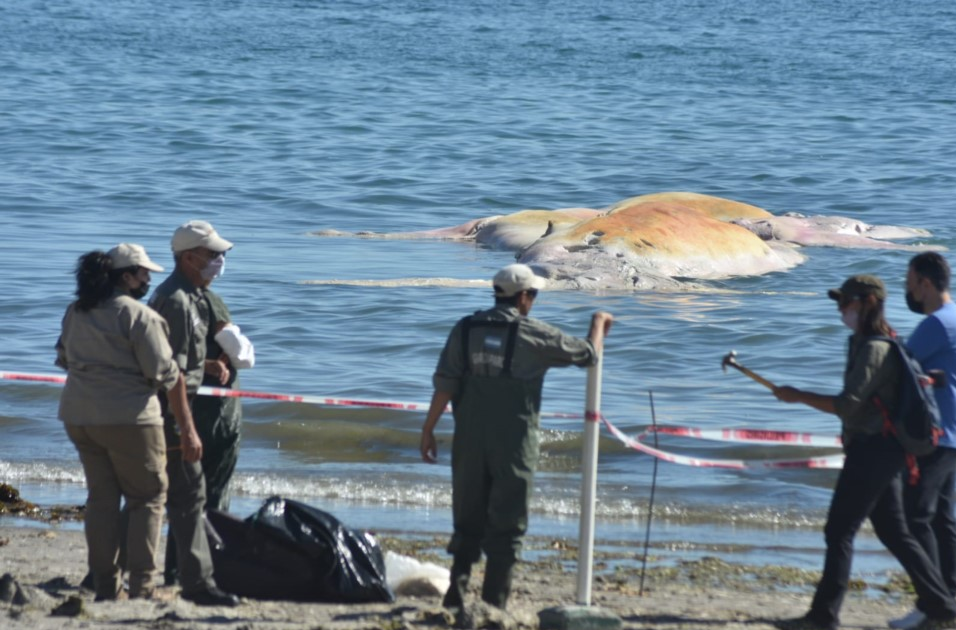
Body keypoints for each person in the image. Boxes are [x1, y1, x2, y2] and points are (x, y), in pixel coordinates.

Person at [420, 263, 613, 612]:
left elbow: (445, 384)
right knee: (508, 526)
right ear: (524, 297)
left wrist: (428, 430)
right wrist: (598, 325)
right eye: (534, 295)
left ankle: (456, 598)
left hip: (469, 441)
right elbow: (587, 354)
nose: (534, 301)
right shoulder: (534, 335)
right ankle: (494, 604)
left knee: (467, 520)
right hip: (514, 444)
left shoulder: (465, 329)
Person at [772, 275, 956, 630]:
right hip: (879, 449)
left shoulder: (876, 347)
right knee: (892, 530)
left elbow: (847, 404)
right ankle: (941, 603)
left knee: (839, 530)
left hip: (876, 450)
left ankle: (823, 616)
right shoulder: (863, 342)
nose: (841, 310)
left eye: (847, 302)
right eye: (839, 303)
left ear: (868, 302)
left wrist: (798, 395)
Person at [55, 244, 199, 602]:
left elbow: (63, 359)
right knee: (148, 498)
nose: (149, 278)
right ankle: (143, 587)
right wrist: (187, 427)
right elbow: (166, 375)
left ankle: (105, 586)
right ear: (126, 276)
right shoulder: (140, 316)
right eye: (143, 272)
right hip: (131, 418)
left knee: (102, 500)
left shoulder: (77, 311)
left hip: (79, 415)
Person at [149, 220, 239, 607]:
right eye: (212, 254)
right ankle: (189, 577)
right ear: (189, 257)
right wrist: (186, 427)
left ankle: (194, 572)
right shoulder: (176, 299)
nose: (220, 260)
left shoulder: (196, 294)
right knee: (189, 498)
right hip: (187, 413)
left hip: (201, 410)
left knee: (193, 496)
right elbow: (170, 368)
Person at [890, 253, 956, 630]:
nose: (908, 289)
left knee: (916, 517)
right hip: (951, 434)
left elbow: (901, 366)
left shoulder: (937, 324)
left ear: (926, 284)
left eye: (910, 281)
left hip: (938, 436)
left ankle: (933, 605)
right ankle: (947, 597)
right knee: (942, 520)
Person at [192, 288, 255, 512]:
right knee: (214, 491)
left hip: (182, 407)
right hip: (215, 411)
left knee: (187, 490)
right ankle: (210, 542)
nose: (218, 262)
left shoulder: (165, 296)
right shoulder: (208, 300)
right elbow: (243, 355)